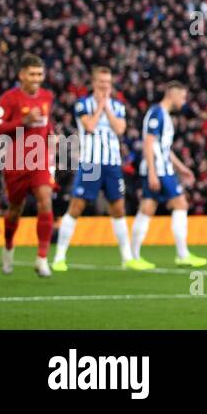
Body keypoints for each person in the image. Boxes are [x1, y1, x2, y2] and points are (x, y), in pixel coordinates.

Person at [53, 65, 150, 271]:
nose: (106, 86)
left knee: (118, 209)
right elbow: (89, 126)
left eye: (108, 83)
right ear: (94, 83)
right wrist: (100, 106)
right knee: (77, 207)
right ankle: (59, 257)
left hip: (113, 164)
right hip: (91, 163)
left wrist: (107, 107)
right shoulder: (83, 104)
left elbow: (120, 129)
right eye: (102, 83)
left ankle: (127, 258)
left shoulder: (117, 106)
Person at [131, 82, 207, 268]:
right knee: (180, 204)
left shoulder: (163, 115)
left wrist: (181, 167)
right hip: (158, 169)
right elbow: (148, 144)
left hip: (161, 167)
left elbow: (163, 148)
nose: (184, 101)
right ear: (172, 95)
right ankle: (182, 254)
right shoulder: (157, 113)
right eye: (182, 97)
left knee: (147, 208)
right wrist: (152, 173)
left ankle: (133, 256)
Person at [0, 54, 56, 277]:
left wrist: (52, 136)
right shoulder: (9, 99)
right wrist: (21, 122)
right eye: (32, 74)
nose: (36, 78)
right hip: (15, 161)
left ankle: (42, 258)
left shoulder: (47, 96)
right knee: (15, 210)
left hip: (39, 160)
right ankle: (8, 247)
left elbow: (47, 122)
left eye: (39, 74)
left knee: (45, 201)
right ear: (21, 75)